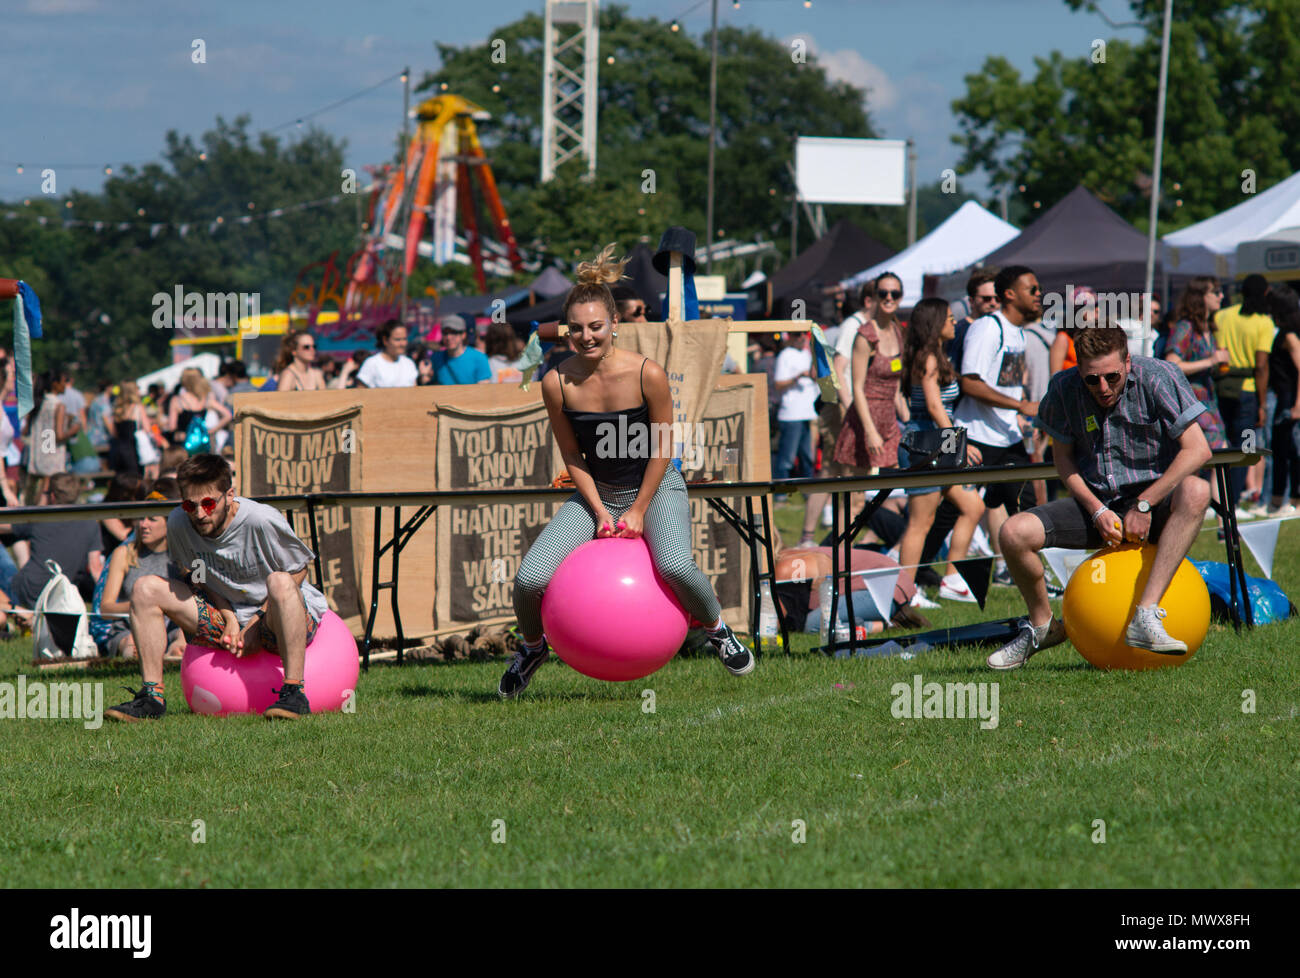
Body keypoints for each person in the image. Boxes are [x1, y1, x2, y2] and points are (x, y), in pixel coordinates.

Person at [499, 244, 754, 699]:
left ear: (614, 324)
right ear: (565, 331)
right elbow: (573, 457)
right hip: (596, 493)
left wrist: (637, 509)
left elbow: (662, 448)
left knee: (675, 564)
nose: (586, 336)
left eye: (596, 326)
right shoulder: (556, 382)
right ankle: (534, 649)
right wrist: (598, 510)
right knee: (529, 580)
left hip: (654, 487)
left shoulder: (647, 374)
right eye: (576, 328)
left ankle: (716, 628)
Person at [987, 325, 1212, 669]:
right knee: (1013, 533)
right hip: (1098, 503)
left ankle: (1146, 614)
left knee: (1198, 490)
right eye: (1092, 380)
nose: (1103, 388)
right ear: (1079, 370)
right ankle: (1042, 626)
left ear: (1128, 362)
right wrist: (1095, 510)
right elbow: (1062, 458)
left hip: (1155, 503)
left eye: (1112, 377)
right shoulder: (1063, 387)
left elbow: (1198, 450)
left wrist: (1144, 503)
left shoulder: (1159, 376)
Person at [105, 453, 331, 721]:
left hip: (275, 617)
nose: (199, 514)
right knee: (144, 588)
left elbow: (299, 569)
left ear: (230, 495)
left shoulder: (260, 520)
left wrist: (256, 622)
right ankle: (151, 698)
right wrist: (229, 617)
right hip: (225, 618)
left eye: (209, 503)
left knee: (279, 580)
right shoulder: (179, 522)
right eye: (190, 505)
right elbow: (195, 575)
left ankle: (294, 692)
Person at [953, 264, 1040, 586]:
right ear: (1010, 294)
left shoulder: (1018, 332)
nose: (1039, 294)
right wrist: (1020, 405)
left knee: (1025, 507)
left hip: (1007, 436)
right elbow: (971, 383)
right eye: (1032, 289)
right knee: (942, 516)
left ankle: (1019, 574)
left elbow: (1004, 383)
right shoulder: (988, 328)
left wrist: (1017, 415)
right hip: (975, 436)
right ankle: (911, 578)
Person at [895, 299, 986, 603]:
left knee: (973, 507)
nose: (954, 323)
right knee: (920, 522)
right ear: (935, 324)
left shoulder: (935, 356)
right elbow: (934, 406)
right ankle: (905, 592)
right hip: (925, 442)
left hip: (938, 440)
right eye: (949, 318)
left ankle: (951, 579)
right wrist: (960, 442)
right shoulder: (929, 359)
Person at [96, 478, 187, 659]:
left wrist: (181, 638)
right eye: (141, 518)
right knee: (132, 648)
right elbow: (105, 609)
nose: (143, 524)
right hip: (129, 629)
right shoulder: (124, 553)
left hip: (172, 628)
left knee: (183, 643)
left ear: (169, 523)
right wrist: (144, 604)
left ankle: (174, 653)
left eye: (152, 519)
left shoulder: (182, 557)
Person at [835, 271, 909, 473]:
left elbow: (896, 387)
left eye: (894, 293)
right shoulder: (864, 334)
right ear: (875, 296)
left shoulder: (898, 331)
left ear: (901, 297)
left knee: (894, 487)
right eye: (883, 293)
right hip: (864, 421)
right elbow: (854, 385)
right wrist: (870, 431)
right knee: (857, 500)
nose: (889, 298)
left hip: (889, 423)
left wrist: (908, 420)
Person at [1215, 274, 1275, 511]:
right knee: (1246, 448)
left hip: (1223, 387)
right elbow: (1260, 366)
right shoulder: (1263, 322)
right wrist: (1262, 404)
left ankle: (1220, 499)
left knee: (1223, 445)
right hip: (1248, 393)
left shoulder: (1222, 316)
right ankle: (1234, 500)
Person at [1, 473, 104, 609]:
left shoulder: (42, 516)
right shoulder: (91, 523)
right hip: (60, 595)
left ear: (52, 496)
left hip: (26, 592)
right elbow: (95, 568)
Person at [1266, 284, 1300, 515]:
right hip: (1284, 396)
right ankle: (1277, 501)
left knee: (1290, 451)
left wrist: (1297, 405)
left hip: (1290, 398)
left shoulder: (1289, 335)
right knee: (1281, 449)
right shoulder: (1287, 331)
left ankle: (1292, 502)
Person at [24, 371, 81, 505]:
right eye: (63, 382)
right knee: (47, 493)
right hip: (52, 454)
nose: (65, 385)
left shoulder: (38, 403)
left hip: (37, 452)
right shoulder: (58, 405)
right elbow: (59, 435)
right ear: (55, 384)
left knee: (32, 494)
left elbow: (26, 430)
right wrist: (74, 429)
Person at [168, 369, 233, 452]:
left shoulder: (177, 400)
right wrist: (211, 431)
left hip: (184, 442)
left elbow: (172, 427)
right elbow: (228, 415)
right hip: (203, 441)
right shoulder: (205, 399)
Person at [356, 320, 419, 388]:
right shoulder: (372, 363)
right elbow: (360, 394)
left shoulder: (409, 364)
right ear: (385, 340)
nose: (402, 343)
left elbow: (415, 393)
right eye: (397, 339)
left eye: (404, 339)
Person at [431, 315, 492, 385]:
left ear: (463, 335)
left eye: (453, 332)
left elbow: (484, 390)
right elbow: (431, 387)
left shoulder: (479, 358)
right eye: (445, 333)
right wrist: (424, 376)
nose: (448, 337)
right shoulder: (436, 358)